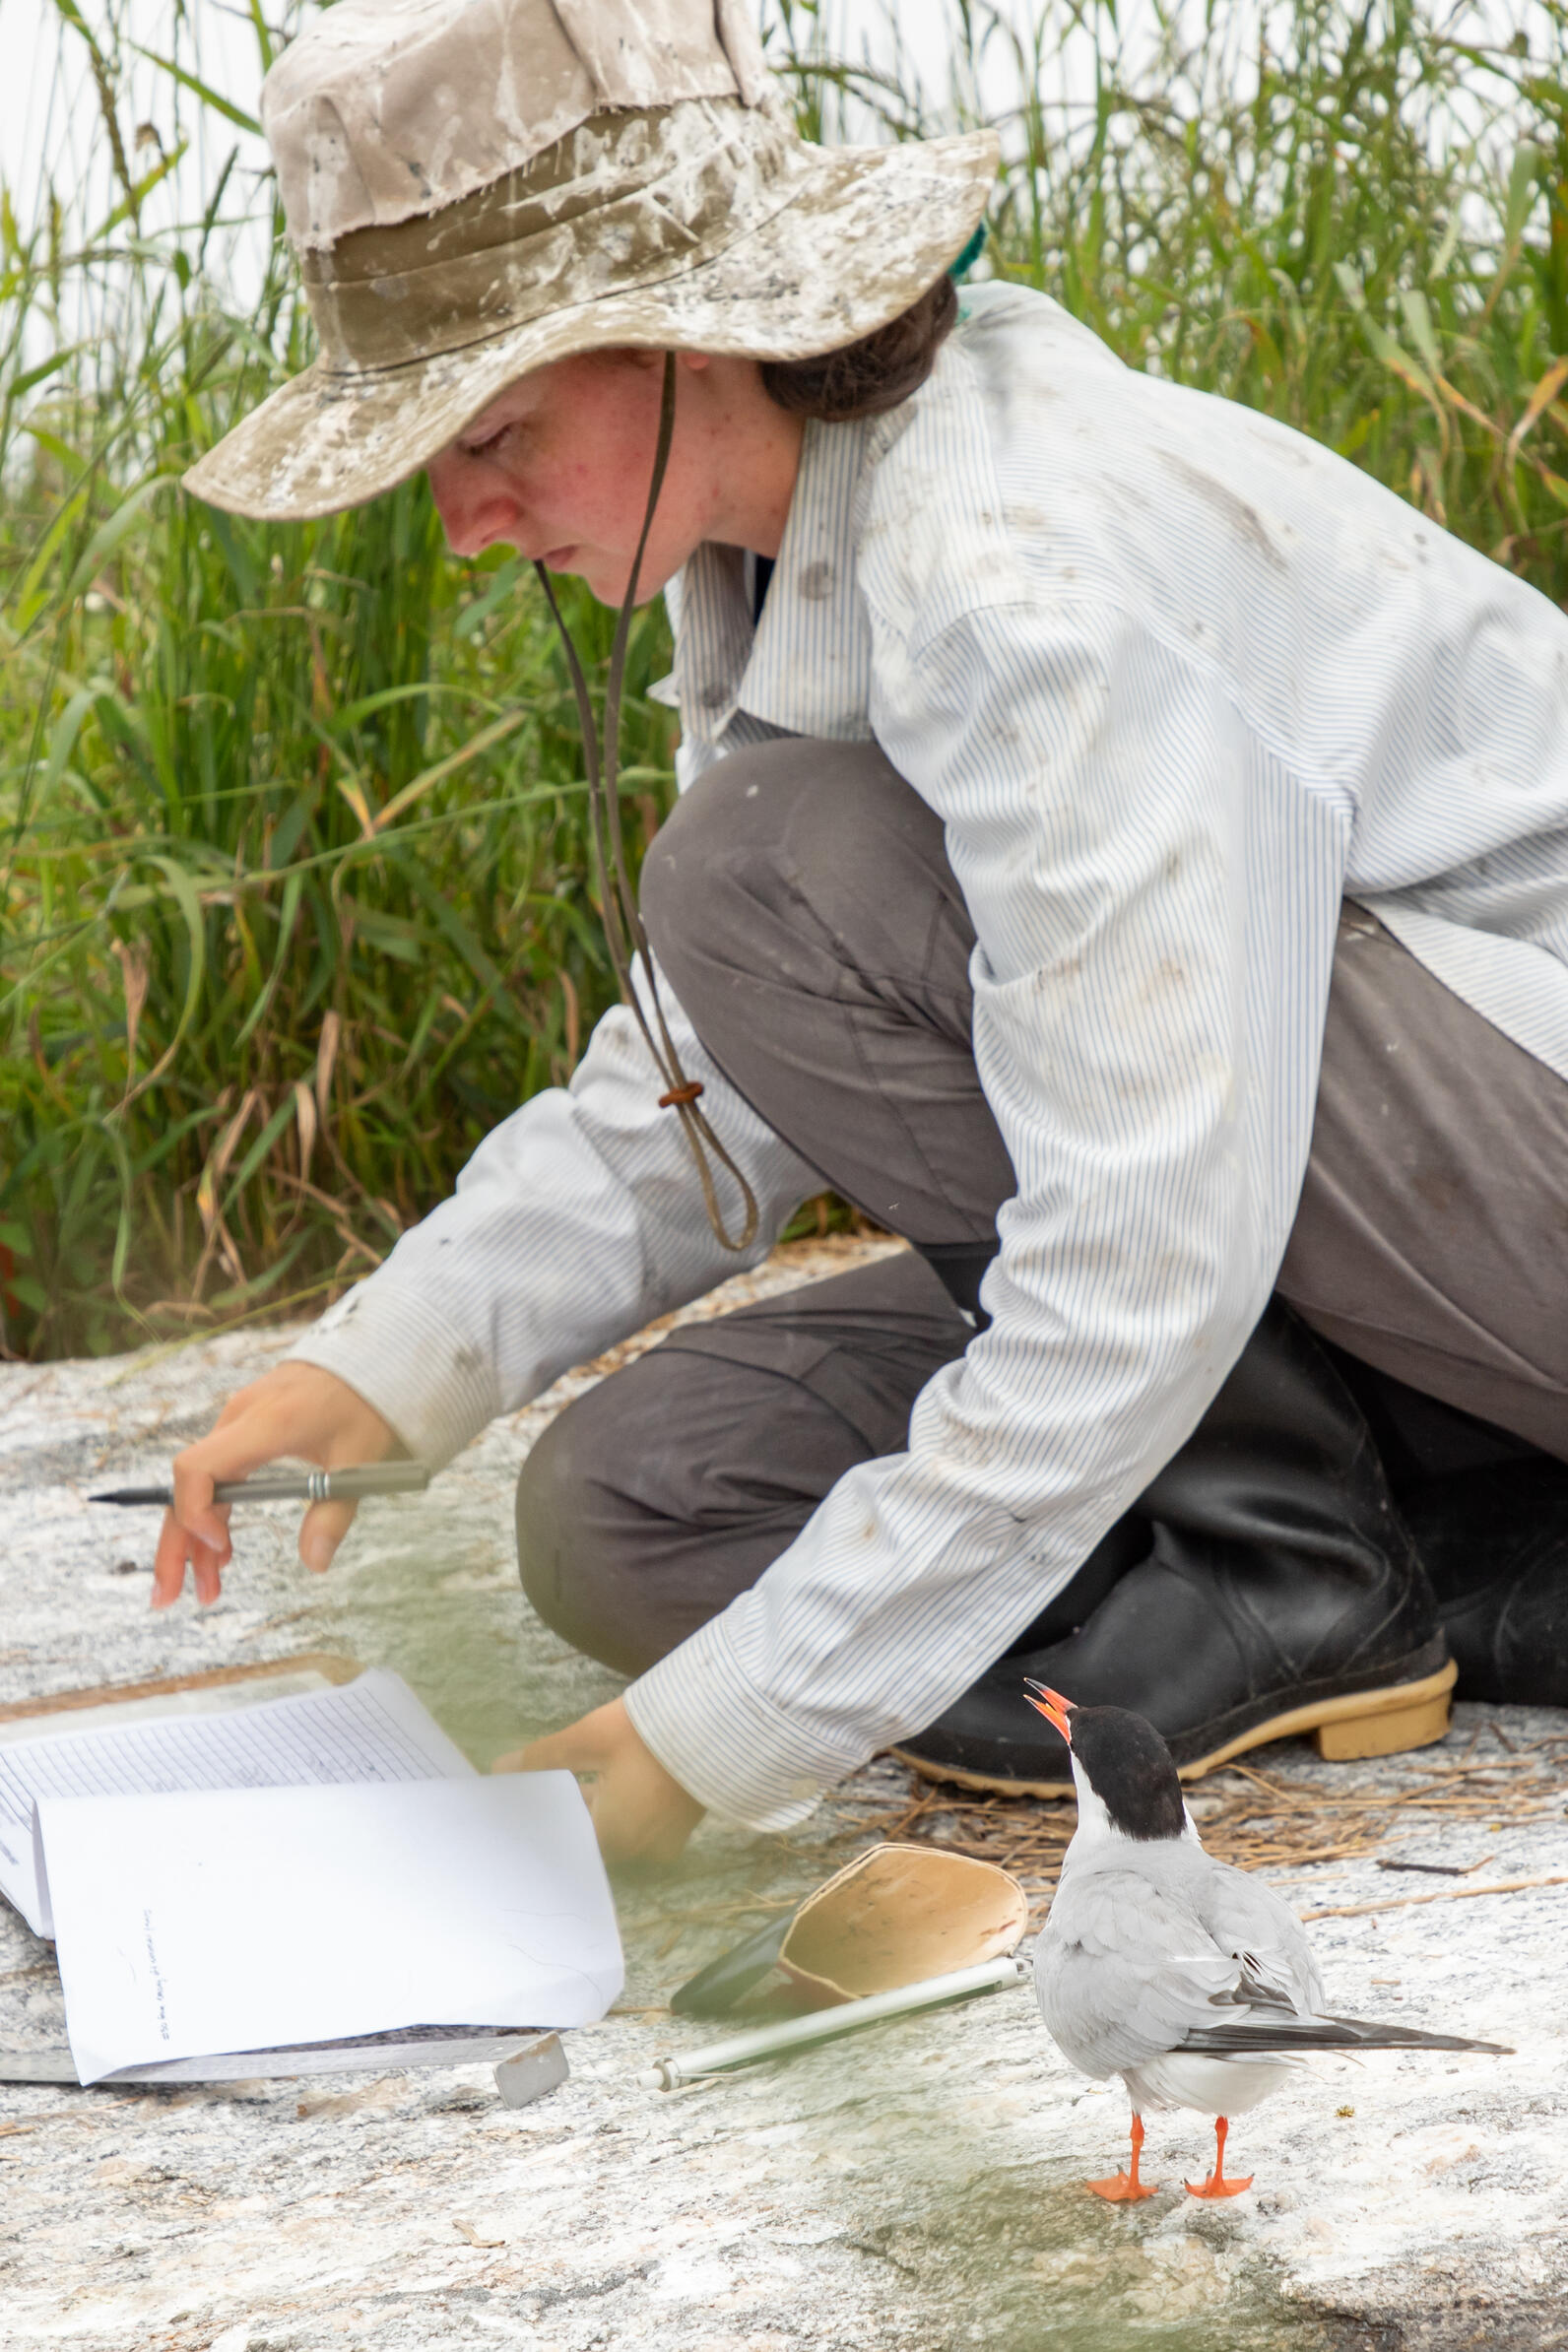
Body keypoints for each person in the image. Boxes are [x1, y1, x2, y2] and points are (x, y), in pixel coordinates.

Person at [163, 0, 1568, 1863]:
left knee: (760, 862)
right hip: (1356, 1251)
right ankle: (1451, 1560)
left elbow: (1140, 1252)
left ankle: (1289, 1559)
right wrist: (398, 1358)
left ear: (681, 337)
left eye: (492, 429)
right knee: (628, 1511)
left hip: (1508, 1170)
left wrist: (719, 1746)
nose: (465, 518)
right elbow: (731, 1057)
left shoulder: (1009, 566)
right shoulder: (772, 534)